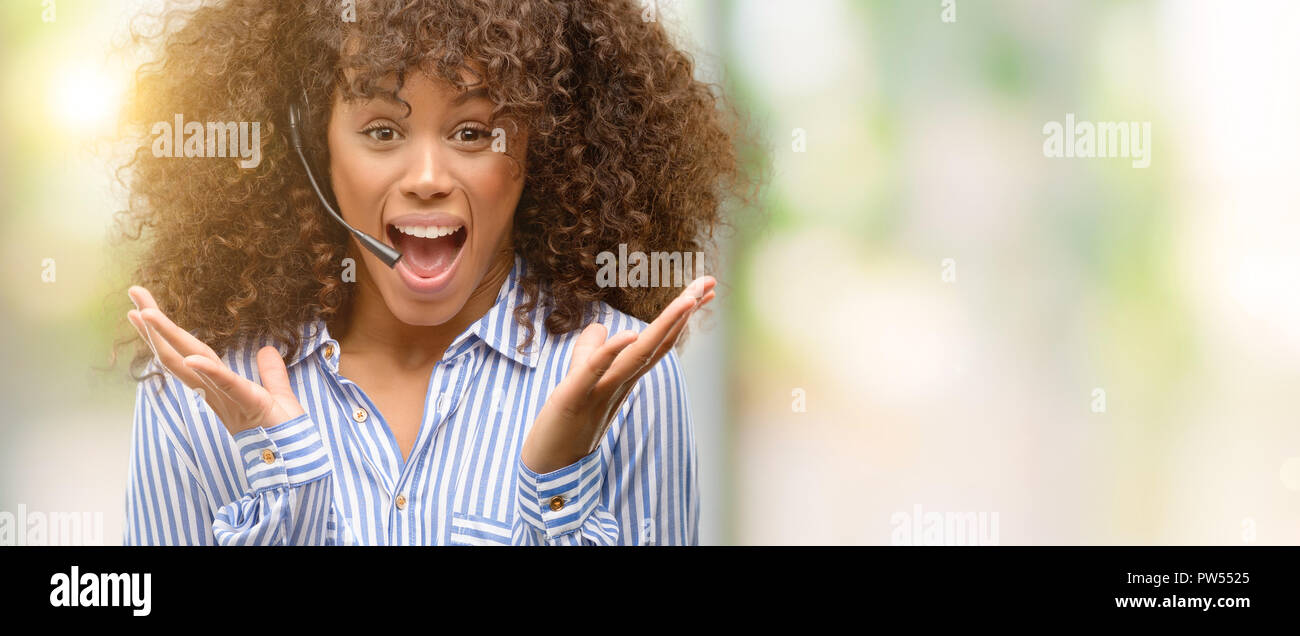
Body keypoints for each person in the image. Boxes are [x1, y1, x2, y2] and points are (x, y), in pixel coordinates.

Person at [114, 0, 752, 545]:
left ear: (542, 145)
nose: (426, 178)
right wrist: (289, 494)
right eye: (383, 129)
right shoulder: (198, 389)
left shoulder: (625, 383)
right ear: (315, 149)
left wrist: (559, 487)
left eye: (473, 132)